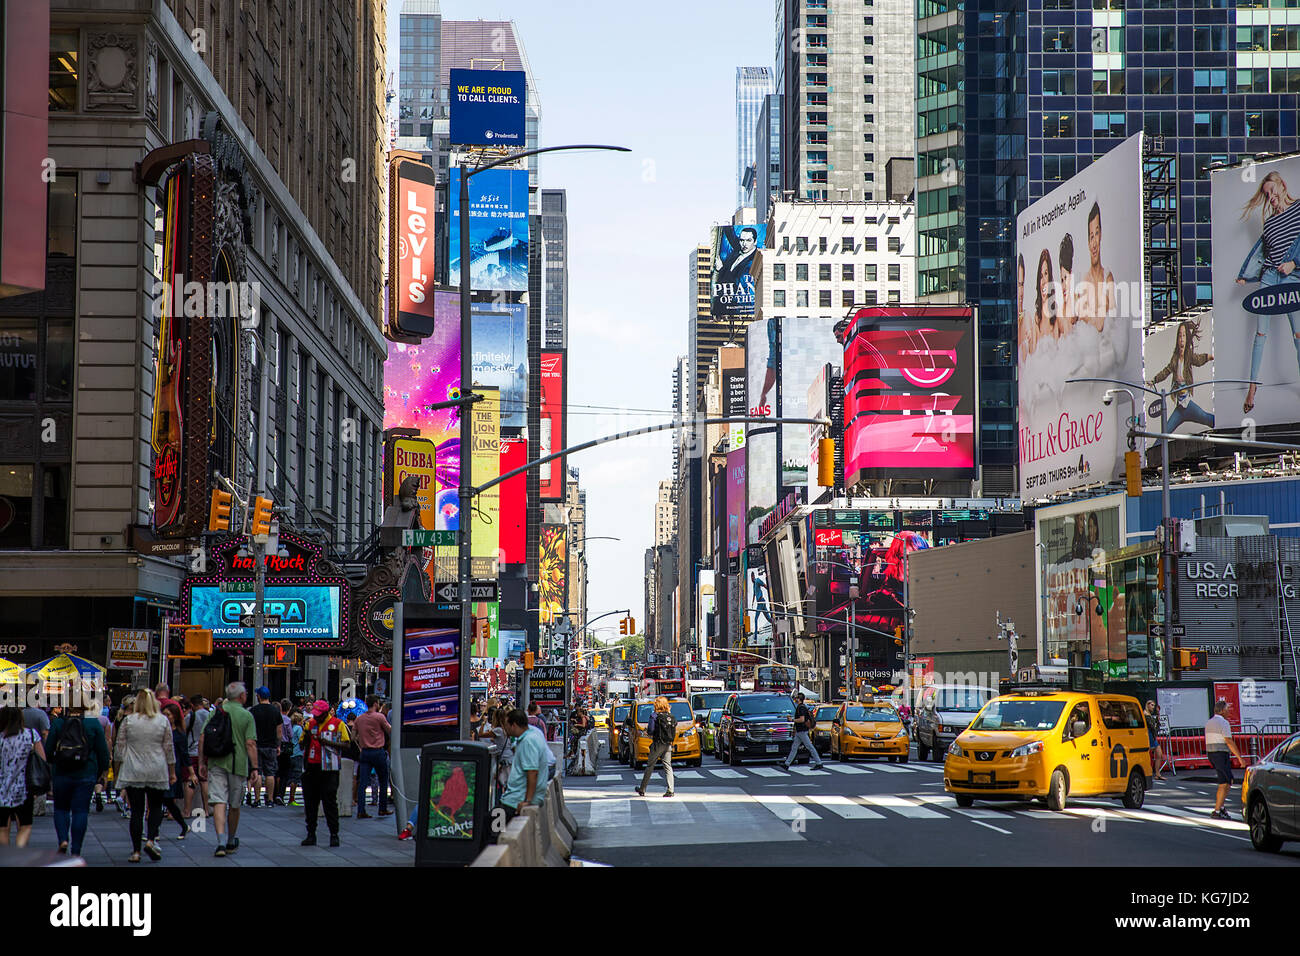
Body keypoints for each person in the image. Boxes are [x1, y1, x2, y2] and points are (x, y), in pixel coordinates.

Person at [1235, 170, 1300, 414]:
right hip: (1270, 277)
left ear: (1282, 185)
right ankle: (1253, 386)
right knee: (1260, 333)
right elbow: (1263, 255)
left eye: (1272, 191)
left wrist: (1294, 264)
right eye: (1266, 194)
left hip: (1292, 277)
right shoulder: (1270, 222)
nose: (1271, 197)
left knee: (1298, 334)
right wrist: (1247, 275)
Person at [113, 688, 176, 862]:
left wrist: (118, 770)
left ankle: (136, 851)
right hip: (157, 768)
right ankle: (151, 839)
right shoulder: (162, 721)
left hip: (134, 770)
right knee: (155, 807)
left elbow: (120, 748)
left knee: (136, 811)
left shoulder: (129, 721)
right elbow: (168, 748)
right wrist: (172, 771)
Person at [199, 681, 260, 858]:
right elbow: (250, 743)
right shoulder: (246, 715)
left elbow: (203, 737)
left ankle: (220, 841)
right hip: (238, 765)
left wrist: (202, 762)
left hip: (216, 762)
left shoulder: (215, 712)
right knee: (234, 804)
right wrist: (254, 767)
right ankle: (231, 839)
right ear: (242, 696)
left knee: (219, 801)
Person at [47, 702, 110, 855]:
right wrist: (102, 772)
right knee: (80, 811)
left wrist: (53, 764)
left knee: (61, 809)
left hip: (62, 772)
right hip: (86, 772)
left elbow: (48, 749)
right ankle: (76, 849)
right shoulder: (92, 723)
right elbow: (103, 751)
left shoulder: (58, 723)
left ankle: (63, 839)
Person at [300, 699, 350, 847]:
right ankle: (310, 834)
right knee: (310, 803)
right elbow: (301, 744)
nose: (315, 717)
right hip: (312, 767)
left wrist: (328, 743)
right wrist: (307, 736)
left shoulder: (338, 724)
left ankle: (334, 834)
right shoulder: (310, 724)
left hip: (329, 769)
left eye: (318, 715)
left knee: (330, 802)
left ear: (326, 713)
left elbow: (347, 745)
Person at [1151, 319, 1214, 431]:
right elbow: (1166, 371)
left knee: (1207, 418)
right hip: (1179, 408)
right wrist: (1154, 380)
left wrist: (1211, 356)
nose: (1181, 339)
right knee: (1164, 432)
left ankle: (1225, 425)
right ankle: (1158, 446)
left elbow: (1199, 359)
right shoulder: (1175, 359)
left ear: (1187, 339)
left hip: (1188, 405)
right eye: (1180, 336)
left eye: (1184, 336)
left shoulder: (1189, 356)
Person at [0, 705, 45, 848]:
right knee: (25, 825)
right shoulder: (31, 735)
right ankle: (18, 853)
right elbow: (42, 759)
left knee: (2, 827)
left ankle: (6, 855)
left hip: (1, 788)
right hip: (25, 787)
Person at [501, 709, 549, 820]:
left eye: (506, 725)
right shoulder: (532, 734)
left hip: (515, 800)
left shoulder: (528, 741)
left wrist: (527, 801)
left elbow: (532, 772)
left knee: (492, 829)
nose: (505, 729)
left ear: (513, 725)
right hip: (514, 797)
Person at [353, 695, 392, 818]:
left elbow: (353, 736)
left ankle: (361, 810)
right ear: (376, 704)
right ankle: (382, 808)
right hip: (378, 751)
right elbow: (390, 730)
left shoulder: (359, 719)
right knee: (383, 780)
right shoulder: (379, 717)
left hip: (365, 752)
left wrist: (362, 742)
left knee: (363, 782)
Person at [1205, 700, 1243, 820]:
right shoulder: (1224, 723)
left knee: (1227, 780)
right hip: (1220, 753)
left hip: (1211, 753)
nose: (1228, 712)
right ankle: (1217, 810)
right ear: (1221, 710)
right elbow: (1228, 741)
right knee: (1224, 782)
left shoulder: (1209, 722)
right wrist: (1240, 758)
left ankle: (1220, 807)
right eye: (1227, 709)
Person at [161, 702, 193, 837]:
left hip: (172, 770)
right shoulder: (161, 731)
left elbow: (184, 754)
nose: (165, 717)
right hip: (161, 768)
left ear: (174, 717)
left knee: (164, 799)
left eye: (168, 714)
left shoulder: (179, 734)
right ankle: (183, 826)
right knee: (165, 800)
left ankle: (154, 832)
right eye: (164, 714)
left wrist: (191, 772)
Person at [636, 697, 676, 798]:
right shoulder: (670, 716)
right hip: (668, 743)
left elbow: (650, 730)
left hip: (657, 743)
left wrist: (648, 732)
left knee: (650, 765)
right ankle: (670, 789)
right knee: (668, 766)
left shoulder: (654, 716)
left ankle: (642, 788)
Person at [248, 687, 281, 808]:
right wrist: (278, 745)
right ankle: (270, 799)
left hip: (257, 745)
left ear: (259, 696)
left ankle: (257, 799)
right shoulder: (275, 711)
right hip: (271, 745)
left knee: (258, 771)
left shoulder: (253, 711)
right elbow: (279, 730)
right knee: (270, 773)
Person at [784, 692, 826, 771]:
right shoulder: (802, 707)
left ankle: (819, 763)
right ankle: (787, 764)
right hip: (800, 731)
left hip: (802, 731)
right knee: (794, 747)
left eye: (796, 698)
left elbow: (802, 719)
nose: (795, 699)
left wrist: (792, 719)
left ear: (799, 699)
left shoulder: (801, 708)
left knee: (809, 747)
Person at [184, 695, 210, 817]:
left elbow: (183, 730)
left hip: (192, 751)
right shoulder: (211, 715)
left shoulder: (191, 716)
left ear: (193, 705)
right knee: (204, 780)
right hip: (206, 752)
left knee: (191, 780)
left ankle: (187, 810)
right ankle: (206, 808)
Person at [275, 699, 293, 806]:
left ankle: (274, 794)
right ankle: (280, 794)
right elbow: (290, 735)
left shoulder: (276, 718)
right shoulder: (287, 720)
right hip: (285, 747)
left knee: (276, 772)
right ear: (289, 708)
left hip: (276, 746)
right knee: (285, 773)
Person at [285, 712, 305, 806]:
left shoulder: (291, 728)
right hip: (297, 753)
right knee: (296, 777)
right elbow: (302, 740)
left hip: (291, 754)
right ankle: (291, 798)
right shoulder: (299, 728)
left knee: (290, 775)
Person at [1144, 700, 1165, 781]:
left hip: (1152, 735)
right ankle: (1149, 773)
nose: (1153, 707)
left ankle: (1157, 773)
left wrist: (1158, 716)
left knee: (1159, 754)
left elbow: (1155, 727)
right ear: (1148, 705)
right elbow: (1153, 727)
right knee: (1149, 755)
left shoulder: (1149, 715)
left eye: (1153, 705)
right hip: (1149, 735)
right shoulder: (1145, 714)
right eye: (1152, 705)